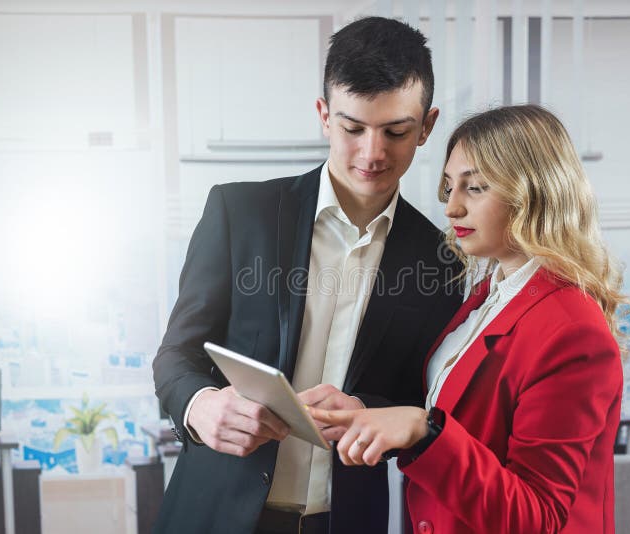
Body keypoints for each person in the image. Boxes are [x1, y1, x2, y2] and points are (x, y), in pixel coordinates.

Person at [152, 17, 462, 534]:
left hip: (345, 520)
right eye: (353, 128)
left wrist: (368, 410)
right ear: (323, 115)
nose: (372, 152)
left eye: (396, 131)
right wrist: (200, 405)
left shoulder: (444, 260)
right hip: (212, 514)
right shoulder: (238, 212)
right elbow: (175, 356)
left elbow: (426, 403)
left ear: (426, 127)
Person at [310, 104, 627, 534]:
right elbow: (462, 417)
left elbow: (539, 517)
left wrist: (423, 430)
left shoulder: (572, 331)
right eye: (448, 188)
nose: (451, 209)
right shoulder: (488, 295)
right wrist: (371, 412)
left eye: (474, 188)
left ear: (532, 192)